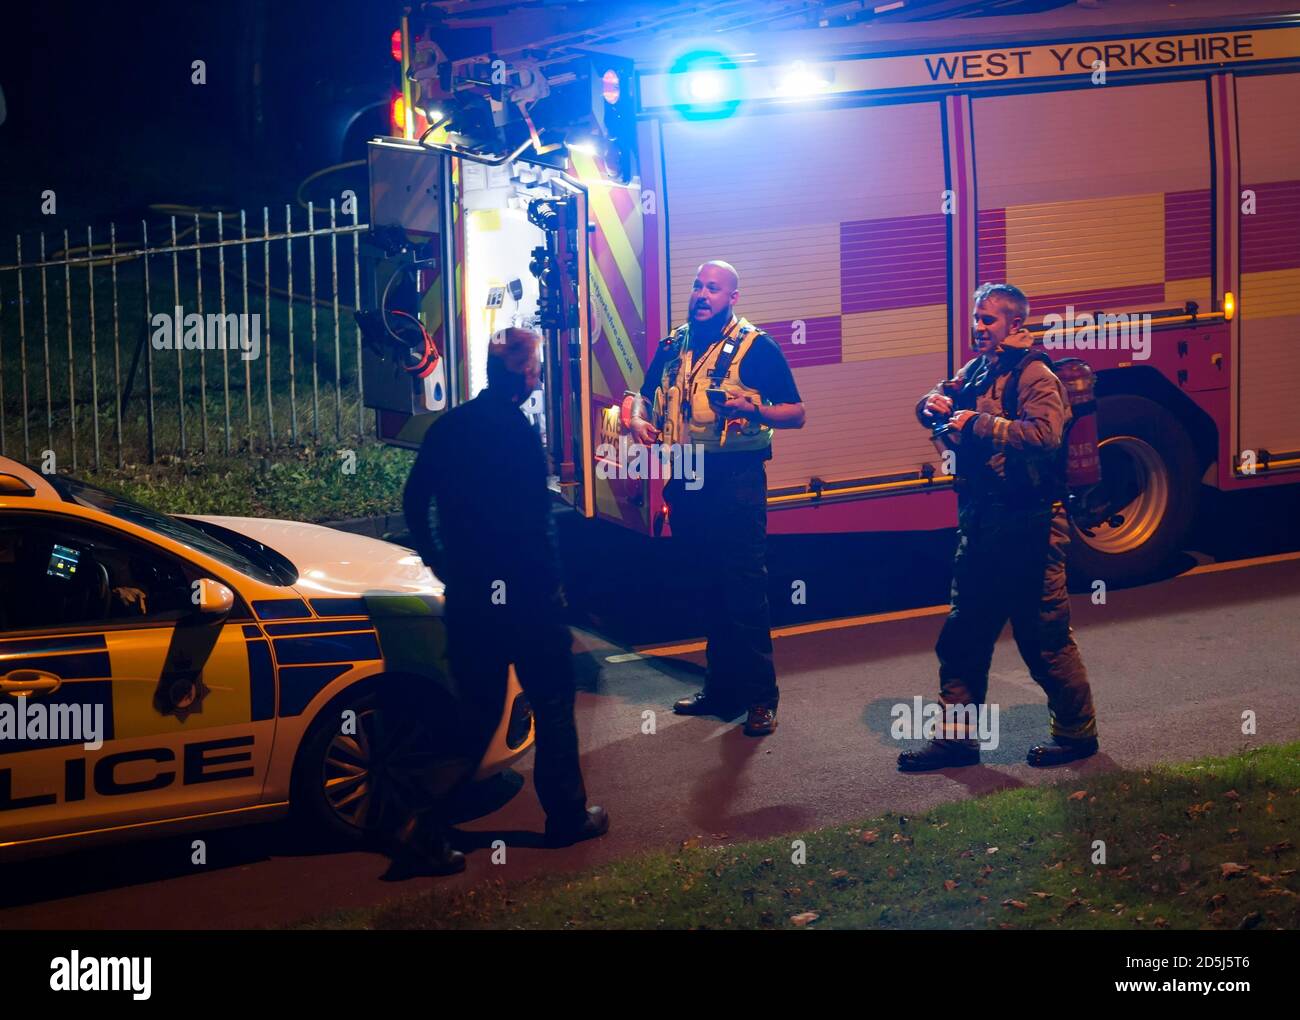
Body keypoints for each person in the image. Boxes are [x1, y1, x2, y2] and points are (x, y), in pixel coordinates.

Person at [402, 326, 608, 872]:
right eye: (536, 369)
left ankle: (423, 826)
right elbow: (533, 527)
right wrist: (554, 590)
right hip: (527, 600)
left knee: (475, 716)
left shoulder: (450, 428)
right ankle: (567, 817)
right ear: (523, 376)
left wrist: (437, 557)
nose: (538, 376)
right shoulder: (519, 434)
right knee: (555, 707)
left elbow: (414, 499)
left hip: (471, 595)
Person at [899, 282, 1099, 772]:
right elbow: (942, 396)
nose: (978, 326)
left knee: (1043, 639)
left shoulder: (1034, 373)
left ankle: (1077, 736)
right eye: (976, 318)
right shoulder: (980, 368)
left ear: (1015, 324)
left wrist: (976, 423)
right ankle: (956, 743)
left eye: (988, 320)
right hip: (983, 523)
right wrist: (932, 404)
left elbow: (1045, 436)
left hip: (1032, 525)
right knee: (963, 635)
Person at [629, 261, 806, 736]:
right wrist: (636, 418)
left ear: (732, 297)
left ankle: (761, 699)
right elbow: (642, 396)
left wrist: (757, 408)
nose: (702, 294)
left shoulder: (757, 347)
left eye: (713, 288)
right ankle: (721, 689)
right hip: (687, 478)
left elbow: (797, 413)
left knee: (743, 591)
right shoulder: (673, 344)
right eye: (697, 285)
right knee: (707, 586)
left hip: (735, 480)